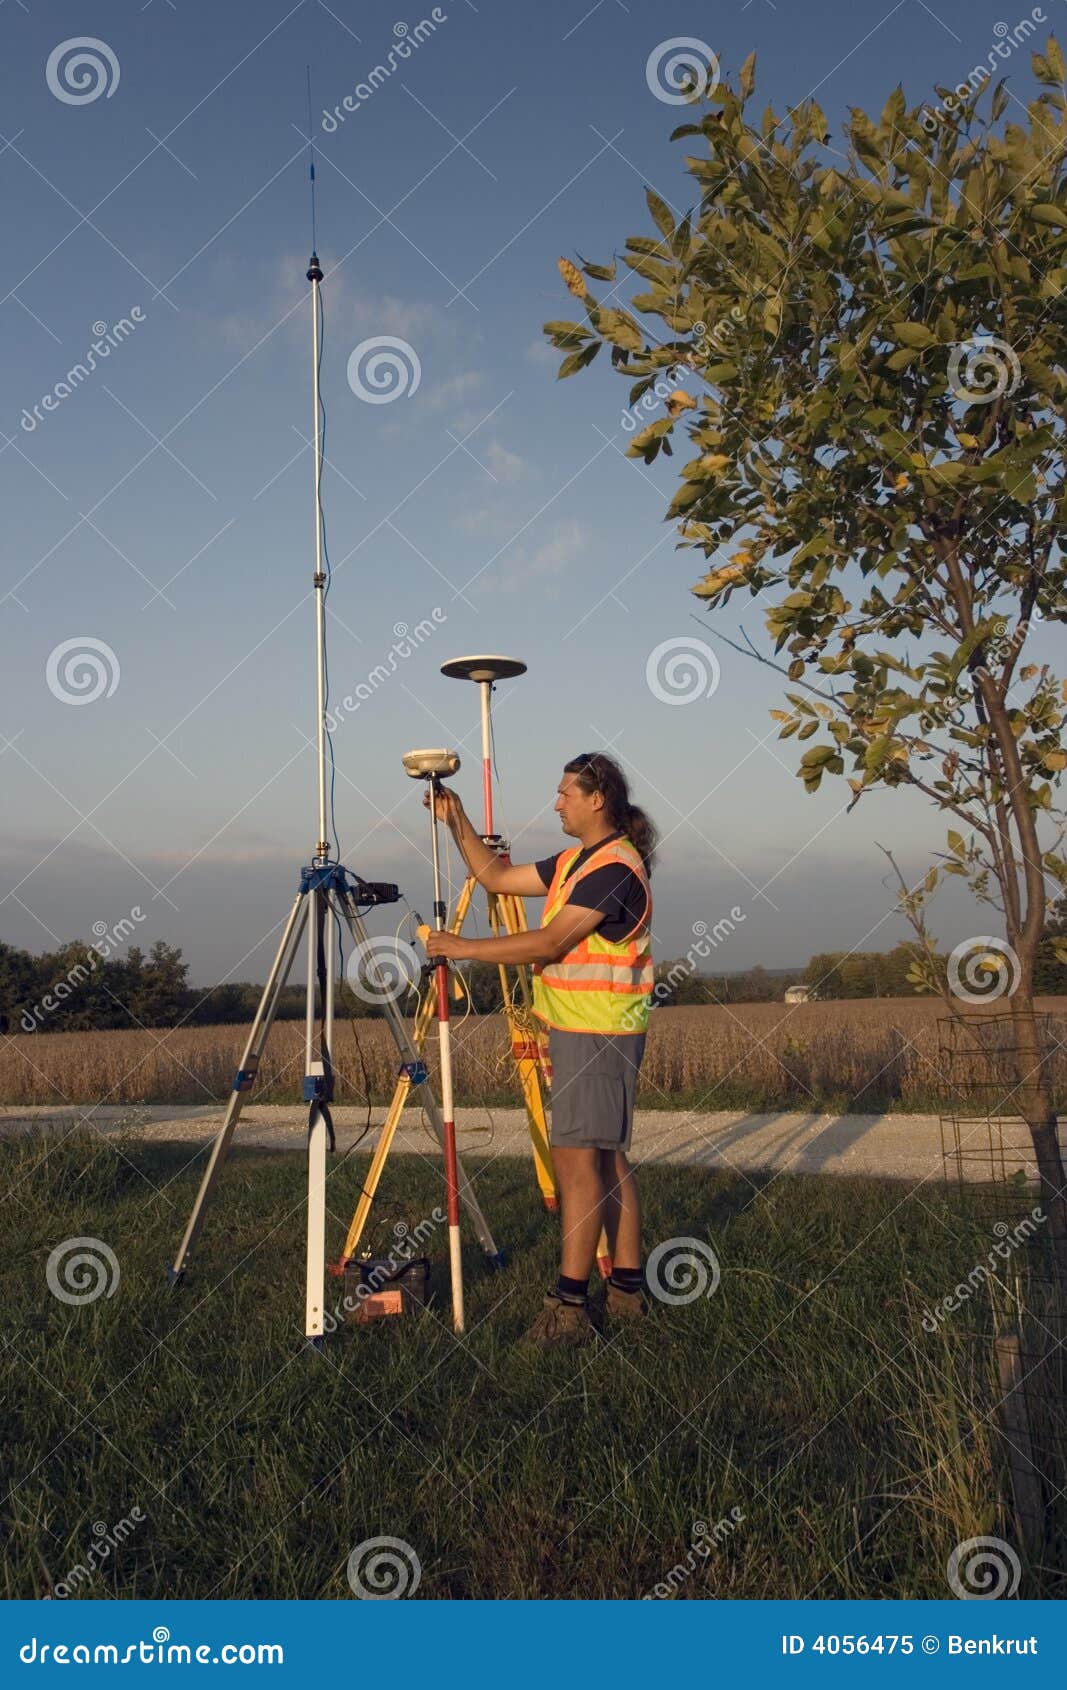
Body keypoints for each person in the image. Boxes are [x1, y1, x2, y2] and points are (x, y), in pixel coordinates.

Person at [424, 751, 657, 1349]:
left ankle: (568, 1307)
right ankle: (626, 1293)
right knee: (605, 1160)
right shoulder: (577, 862)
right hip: (586, 1029)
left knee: (578, 1165)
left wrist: (462, 949)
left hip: (600, 1031)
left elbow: (551, 941)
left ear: (597, 799)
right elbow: (499, 879)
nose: (556, 804)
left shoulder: (613, 869)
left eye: (565, 794)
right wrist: (457, 820)